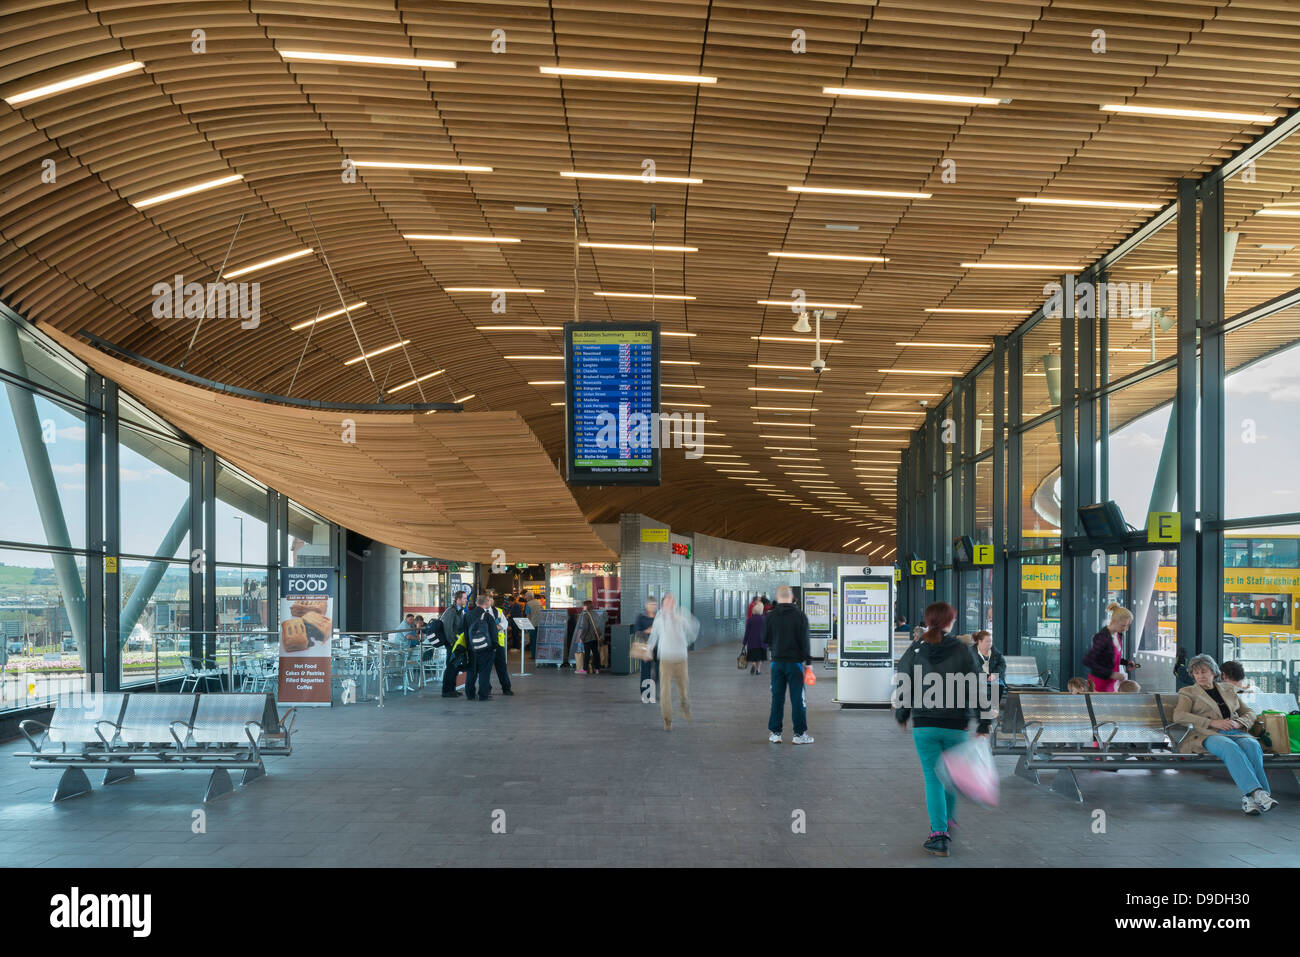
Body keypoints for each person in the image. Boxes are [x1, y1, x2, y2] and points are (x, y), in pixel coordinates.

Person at [893, 601, 992, 858]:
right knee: (950, 774)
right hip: (956, 725)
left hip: (924, 725)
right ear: (949, 622)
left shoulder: (915, 650)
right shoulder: (962, 650)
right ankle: (948, 821)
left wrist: (902, 714)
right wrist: (983, 723)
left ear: (928, 621)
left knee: (933, 777)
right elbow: (978, 686)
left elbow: (904, 682)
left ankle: (939, 835)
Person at [1173, 655, 1276, 814]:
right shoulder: (1188, 692)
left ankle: (1250, 799)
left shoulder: (1228, 689)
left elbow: (1249, 712)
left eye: (1204, 671)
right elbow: (1179, 715)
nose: (1200, 675)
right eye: (1196, 672)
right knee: (1230, 748)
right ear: (1192, 675)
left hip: (1234, 731)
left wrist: (1239, 723)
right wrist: (1212, 722)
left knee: (1252, 745)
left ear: (1213, 673)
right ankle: (1259, 793)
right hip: (1207, 734)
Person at [764, 585, 812, 745]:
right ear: (792, 597)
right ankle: (799, 735)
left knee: (777, 697)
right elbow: (805, 642)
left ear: (778, 598)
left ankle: (775, 733)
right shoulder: (800, 616)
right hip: (795, 664)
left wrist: (775, 645)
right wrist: (809, 663)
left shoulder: (770, 616)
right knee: (798, 699)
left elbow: (764, 638)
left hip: (776, 663)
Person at [646, 592, 697, 731]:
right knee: (665, 691)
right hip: (666, 659)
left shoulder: (681, 617)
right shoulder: (659, 620)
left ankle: (685, 706)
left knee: (683, 688)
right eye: (667, 602)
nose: (670, 604)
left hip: (681, 658)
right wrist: (648, 651)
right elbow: (653, 637)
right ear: (663, 605)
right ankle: (667, 720)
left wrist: (687, 634)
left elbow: (693, 631)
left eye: (672, 602)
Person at [1082, 601, 1139, 692]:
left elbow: (1109, 658)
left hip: (1111, 682)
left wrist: (1126, 663)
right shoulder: (1102, 637)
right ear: (1113, 621)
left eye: (1128, 626)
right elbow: (1088, 660)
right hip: (1099, 683)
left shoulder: (1118, 635)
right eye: (1123, 625)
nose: (1126, 629)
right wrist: (1111, 674)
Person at [463, 594, 497, 701]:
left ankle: (470, 694)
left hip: (472, 649)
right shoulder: (487, 616)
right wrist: (494, 647)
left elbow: (463, 632)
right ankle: (483, 695)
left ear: (476, 603)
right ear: (486, 603)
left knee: (471, 671)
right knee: (484, 672)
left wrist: (468, 647)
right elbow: (493, 633)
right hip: (486, 649)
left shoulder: (467, 615)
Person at [439, 590, 469, 697]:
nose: (466, 600)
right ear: (458, 599)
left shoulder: (459, 611)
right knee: (451, 667)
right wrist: (452, 644)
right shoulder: (451, 611)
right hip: (452, 644)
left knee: (455, 667)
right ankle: (446, 691)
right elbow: (448, 629)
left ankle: (452, 689)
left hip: (457, 644)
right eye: (465, 598)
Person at [488, 594, 513, 696]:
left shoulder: (498, 611)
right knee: (486, 668)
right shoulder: (479, 611)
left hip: (498, 644)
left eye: (490, 600)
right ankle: (487, 689)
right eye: (488, 600)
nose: (489, 602)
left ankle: (506, 688)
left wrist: (498, 627)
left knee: (502, 667)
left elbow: (505, 623)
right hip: (486, 644)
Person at [634, 598, 658, 703]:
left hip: (658, 648)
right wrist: (648, 630)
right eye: (651, 604)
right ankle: (645, 694)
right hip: (645, 648)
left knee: (657, 672)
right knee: (646, 672)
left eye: (655, 604)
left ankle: (652, 693)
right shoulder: (641, 618)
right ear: (646, 605)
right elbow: (637, 633)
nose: (653, 606)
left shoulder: (659, 617)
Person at [971, 630, 1006, 703]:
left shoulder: (993, 651)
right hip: (977, 678)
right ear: (980, 641)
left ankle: (993, 708)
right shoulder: (971, 652)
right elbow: (974, 668)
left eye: (991, 641)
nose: (990, 644)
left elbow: (1002, 664)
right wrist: (987, 677)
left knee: (998, 685)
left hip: (993, 677)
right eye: (987, 641)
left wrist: (995, 674)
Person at [574, 600, 601, 675]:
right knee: (596, 653)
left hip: (588, 638)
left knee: (587, 654)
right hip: (595, 637)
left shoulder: (586, 615)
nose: (583, 607)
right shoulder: (596, 614)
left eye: (584, 605)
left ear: (587, 606)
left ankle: (585, 669)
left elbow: (585, 628)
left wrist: (582, 637)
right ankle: (597, 669)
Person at [742, 601, 768, 675]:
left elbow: (747, 632)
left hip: (752, 642)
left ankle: (753, 664)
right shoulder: (764, 619)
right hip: (761, 642)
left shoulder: (750, 620)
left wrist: (744, 642)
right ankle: (758, 670)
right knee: (759, 657)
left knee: (753, 655)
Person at [523, 590, 542, 655]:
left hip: (532, 624)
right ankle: (540, 654)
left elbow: (528, 616)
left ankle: (533, 654)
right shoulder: (539, 602)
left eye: (526, 596)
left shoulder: (528, 604)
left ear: (529, 597)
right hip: (540, 623)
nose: (525, 598)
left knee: (533, 640)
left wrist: (526, 626)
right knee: (539, 640)